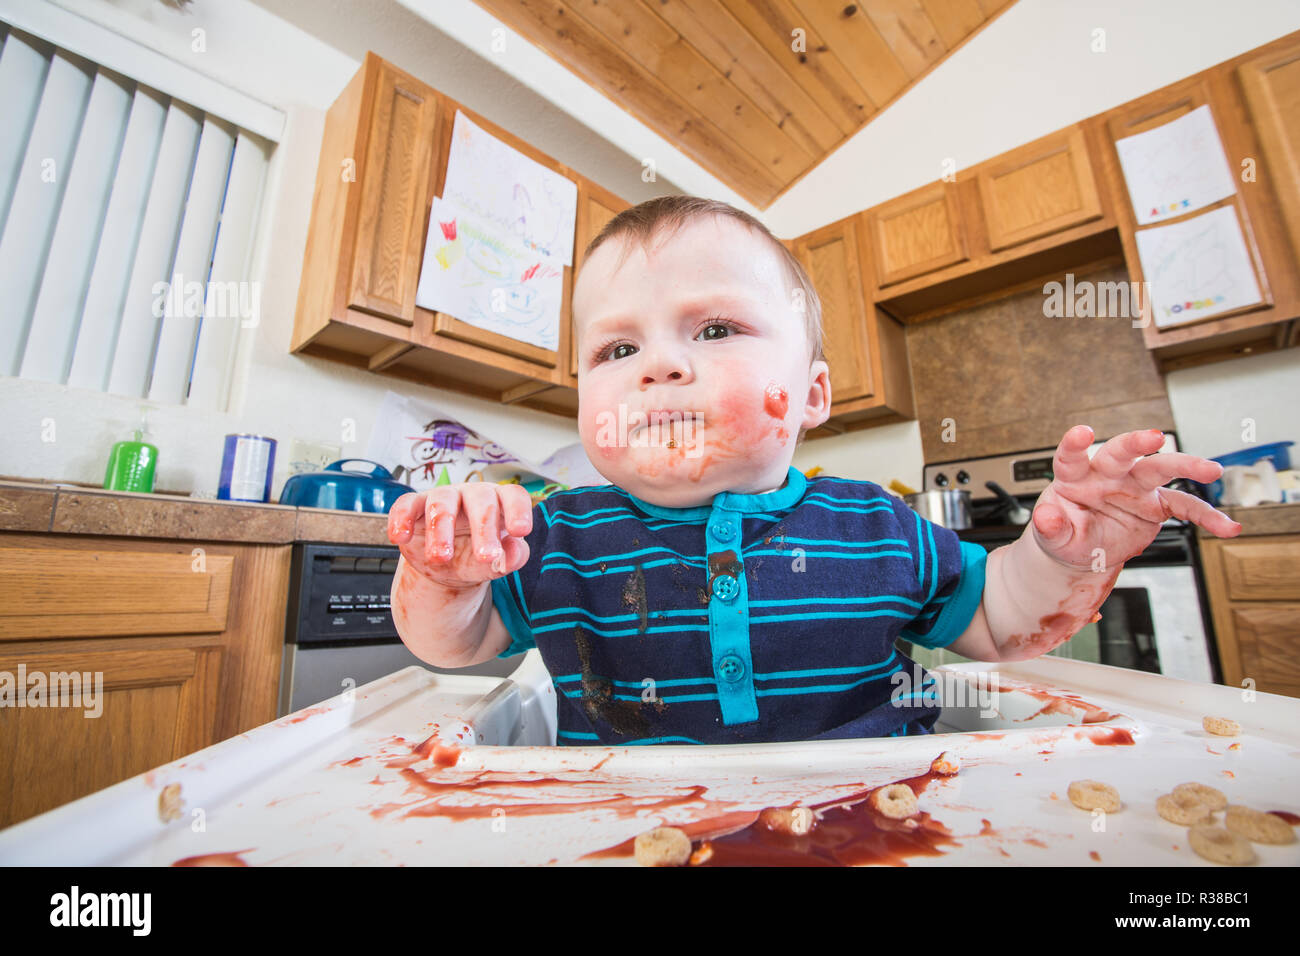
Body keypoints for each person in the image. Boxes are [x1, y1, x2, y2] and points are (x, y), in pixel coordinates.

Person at [387, 196, 1240, 745]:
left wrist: (1068, 558)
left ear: (812, 395)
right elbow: (454, 649)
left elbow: (1001, 626)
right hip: (627, 835)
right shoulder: (555, 535)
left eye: (714, 330)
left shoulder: (879, 526)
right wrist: (441, 579)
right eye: (617, 347)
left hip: (881, 828)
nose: (659, 365)